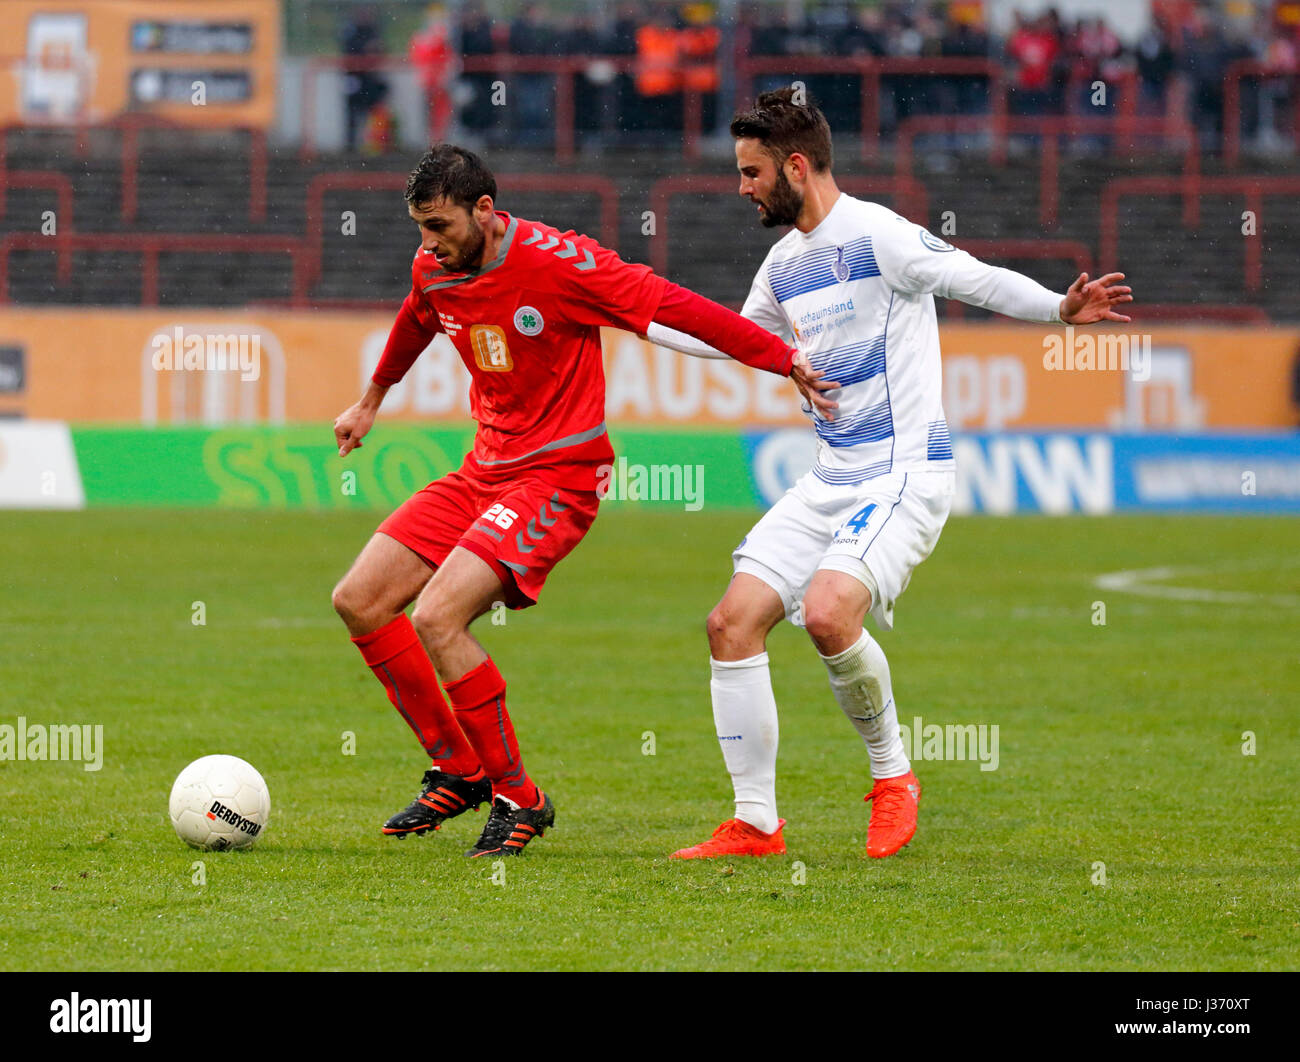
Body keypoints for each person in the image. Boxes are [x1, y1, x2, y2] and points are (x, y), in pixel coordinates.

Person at [649, 89, 1132, 860]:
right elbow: (732, 340)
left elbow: (970, 276)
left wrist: (1057, 311)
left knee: (830, 613)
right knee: (730, 624)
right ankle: (756, 823)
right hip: (830, 480)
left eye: (751, 172)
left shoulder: (879, 236)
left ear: (796, 167)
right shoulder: (783, 266)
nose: (742, 187)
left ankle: (893, 776)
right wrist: (625, 310)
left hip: (904, 475)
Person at [329, 144, 834, 858]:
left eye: (439, 226)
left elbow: (676, 307)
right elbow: (419, 316)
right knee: (359, 598)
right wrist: (371, 400)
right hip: (484, 470)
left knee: (440, 615)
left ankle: (520, 799)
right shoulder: (434, 268)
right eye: (419, 228)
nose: (428, 244)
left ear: (484, 210)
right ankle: (458, 767)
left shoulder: (561, 264)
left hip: (559, 477)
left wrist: (783, 361)